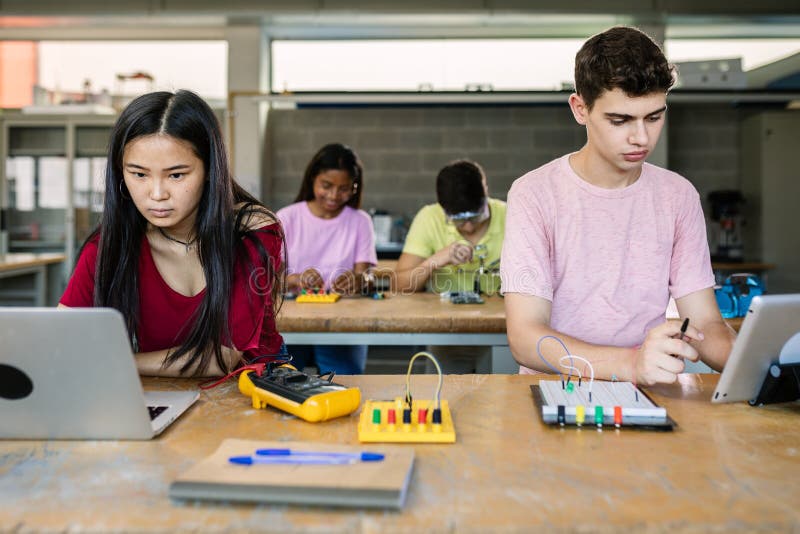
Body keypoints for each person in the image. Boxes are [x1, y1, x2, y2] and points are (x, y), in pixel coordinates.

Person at [501, 26, 736, 385]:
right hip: (554, 393)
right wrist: (630, 364)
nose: (641, 137)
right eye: (620, 120)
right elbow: (526, 336)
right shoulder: (534, 194)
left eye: (654, 117)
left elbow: (704, 324)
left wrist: (761, 366)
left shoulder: (678, 196)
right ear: (580, 109)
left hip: (651, 392)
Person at [60, 90, 284, 377]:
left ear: (209, 170)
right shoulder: (109, 246)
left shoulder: (252, 231)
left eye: (176, 175)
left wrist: (117, 362)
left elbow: (223, 357)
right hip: (161, 393)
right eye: (139, 174)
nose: (156, 194)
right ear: (121, 173)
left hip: (251, 396)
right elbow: (63, 341)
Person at [276, 143, 377, 374]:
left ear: (355, 188)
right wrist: (295, 280)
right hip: (291, 323)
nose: (333, 196)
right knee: (280, 384)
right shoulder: (287, 218)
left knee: (343, 385)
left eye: (344, 189)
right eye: (326, 186)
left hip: (341, 323)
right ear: (313, 179)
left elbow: (366, 277)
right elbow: (269, 282)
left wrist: (359, 281)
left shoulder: (360, 221)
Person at [394, 160, 505, 295]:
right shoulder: (429, 218)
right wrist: (434, 261)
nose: (469, 227)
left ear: (486, 191)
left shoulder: (511, 215)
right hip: (446, 314)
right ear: (443, 209)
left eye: (476, 217)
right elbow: (398, 285)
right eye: (458, 220)